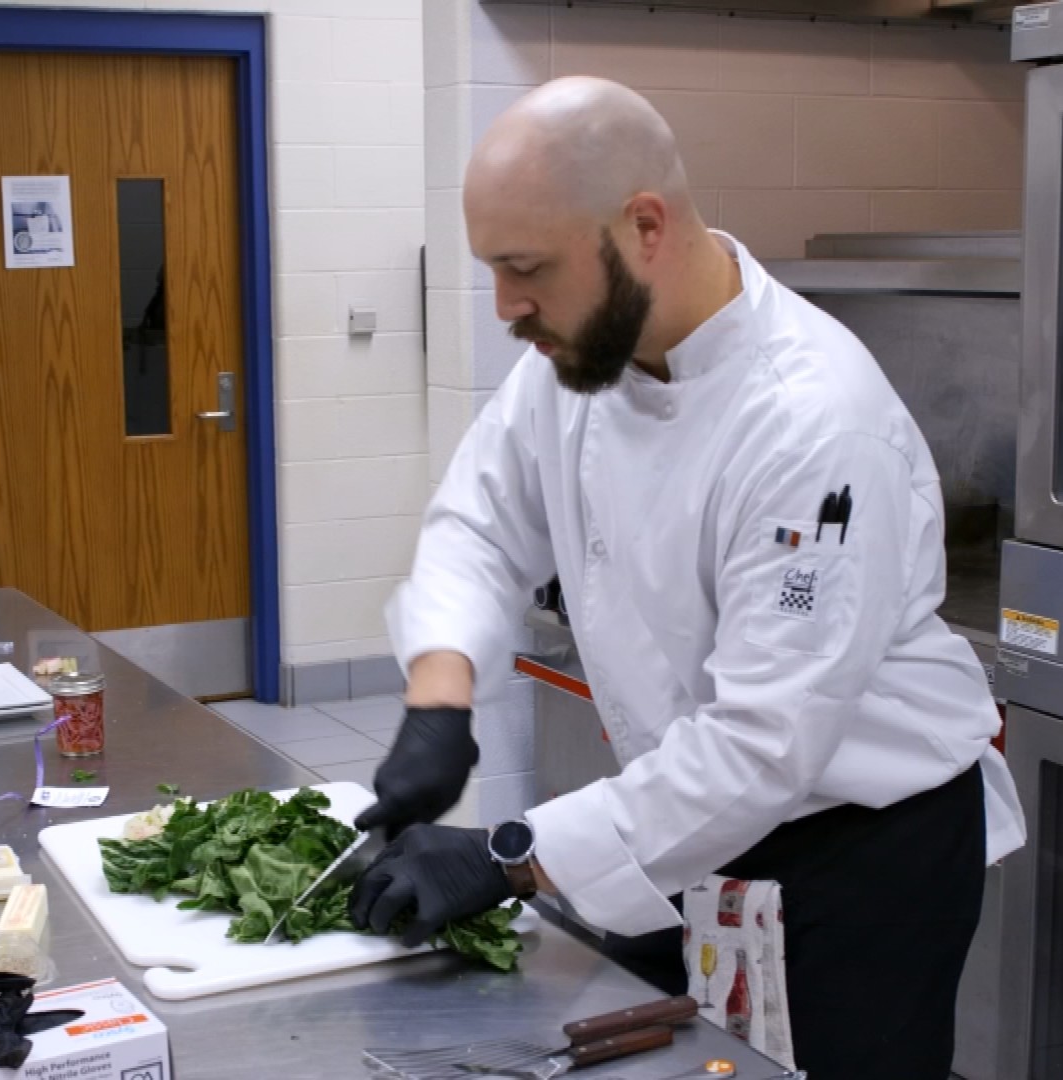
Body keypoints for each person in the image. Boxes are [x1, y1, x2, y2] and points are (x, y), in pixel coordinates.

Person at [348, 76, 1025, 1079]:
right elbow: (478, 522)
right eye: (493, 270)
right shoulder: (581, 361)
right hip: (700, 822)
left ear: (644, 227)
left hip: (857, 850)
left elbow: (761, 743)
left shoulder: (810, 424)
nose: (506, 310)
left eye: (527, 268)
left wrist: (511, 854)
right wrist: (439, 701)